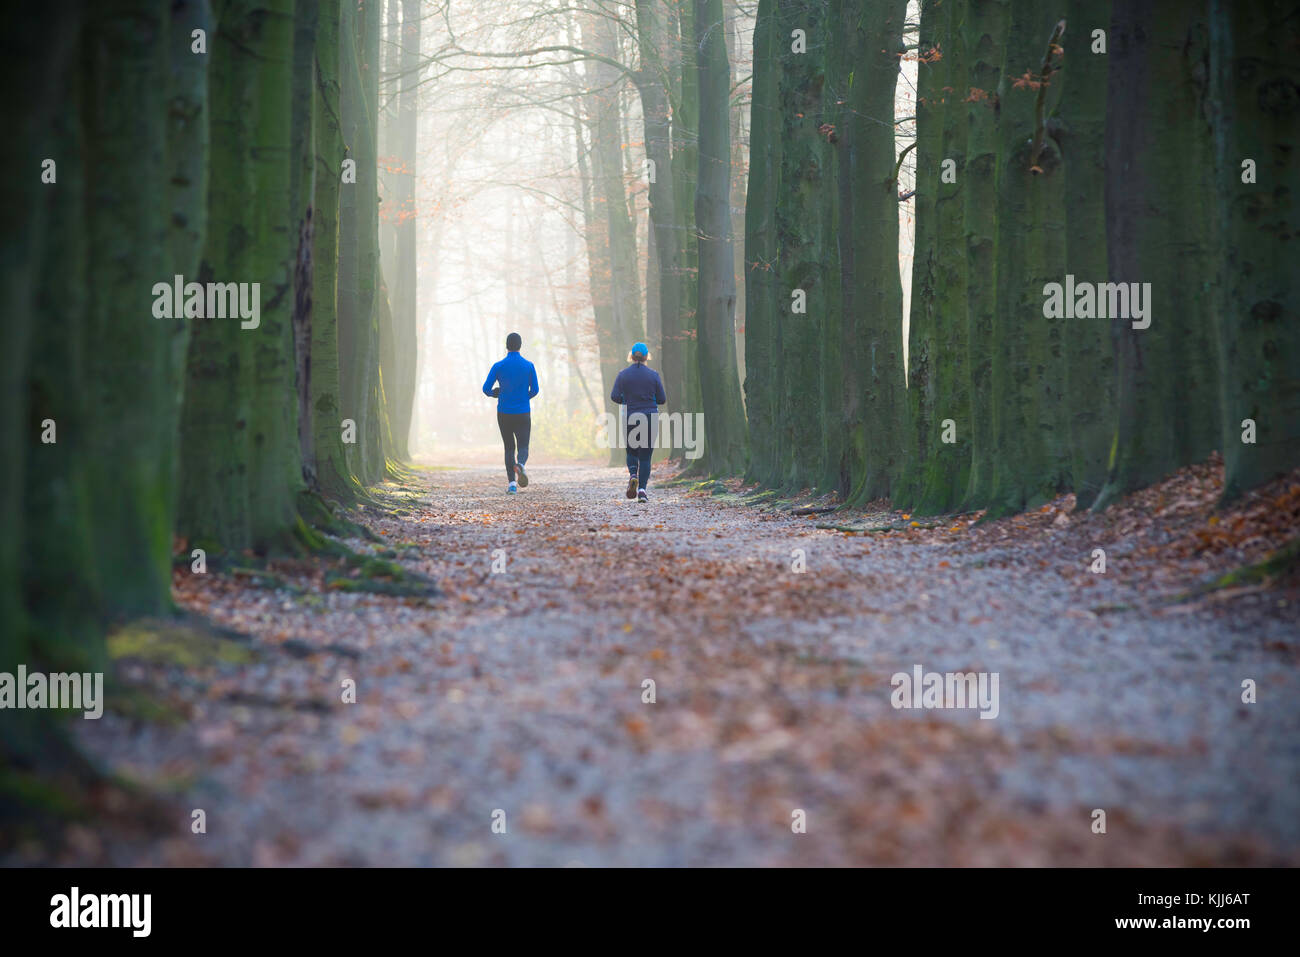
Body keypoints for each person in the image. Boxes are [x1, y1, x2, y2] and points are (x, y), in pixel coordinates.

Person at [482, 332, 539, 494]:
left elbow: (486, 389)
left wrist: (496, 393)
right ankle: (520, 465)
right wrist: (523, 397)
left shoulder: (498, 366)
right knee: (523, 446)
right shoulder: (529, 366)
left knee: (508, 448)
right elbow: (535, 390)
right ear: (520, 346)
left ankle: (512, 485)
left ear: (507, 346)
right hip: (523, 412)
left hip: (504, 412)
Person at [609, 341, 666, 503]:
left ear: (631, 356)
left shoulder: (623, 374)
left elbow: (614, 396)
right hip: (650, 416)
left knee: (632, 451)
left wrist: (626, 399)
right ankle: (642, 490)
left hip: (630, 415)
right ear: (647, 356)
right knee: (646, 457)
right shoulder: (653, 375)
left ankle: (633, 474)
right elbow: (662, 399)